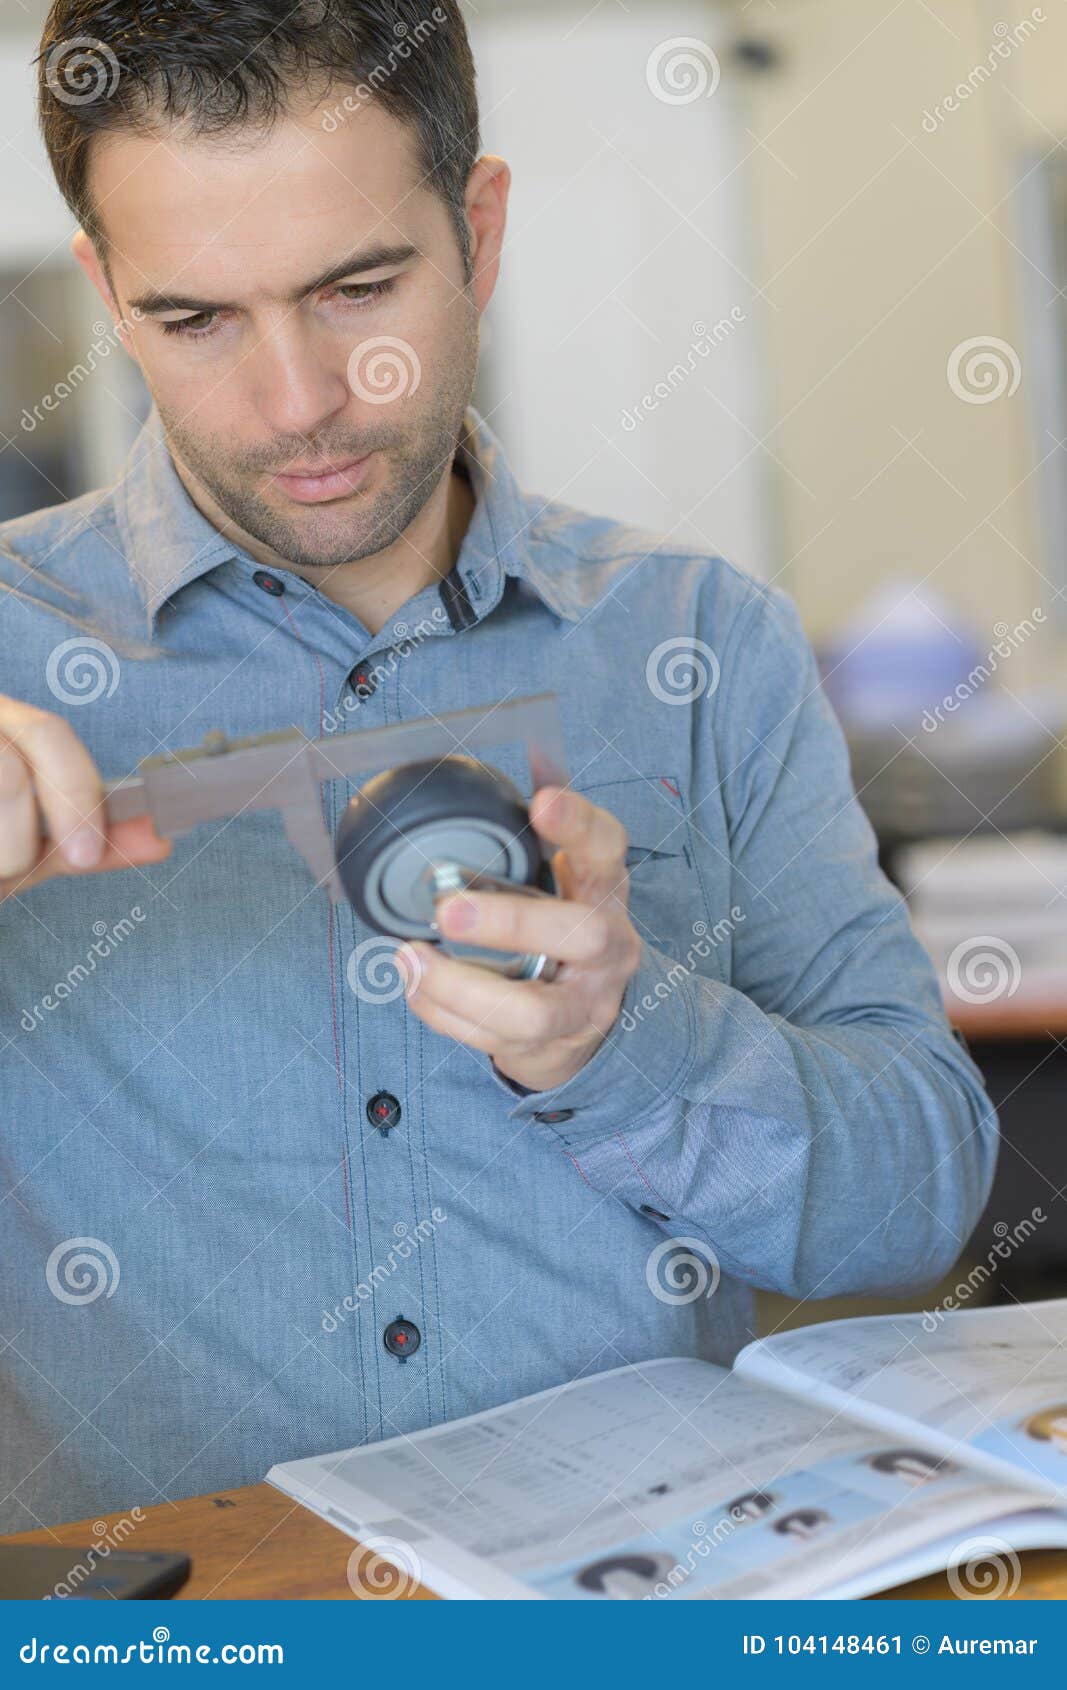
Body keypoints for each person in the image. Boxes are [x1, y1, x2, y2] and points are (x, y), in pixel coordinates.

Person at [0, 0, 996, 1532]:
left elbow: (919, 1192)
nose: (297, 401)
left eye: (358, 287)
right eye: (196, 318)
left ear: (479, 227)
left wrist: (626, 1042)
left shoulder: (701, 639)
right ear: (110, 298)